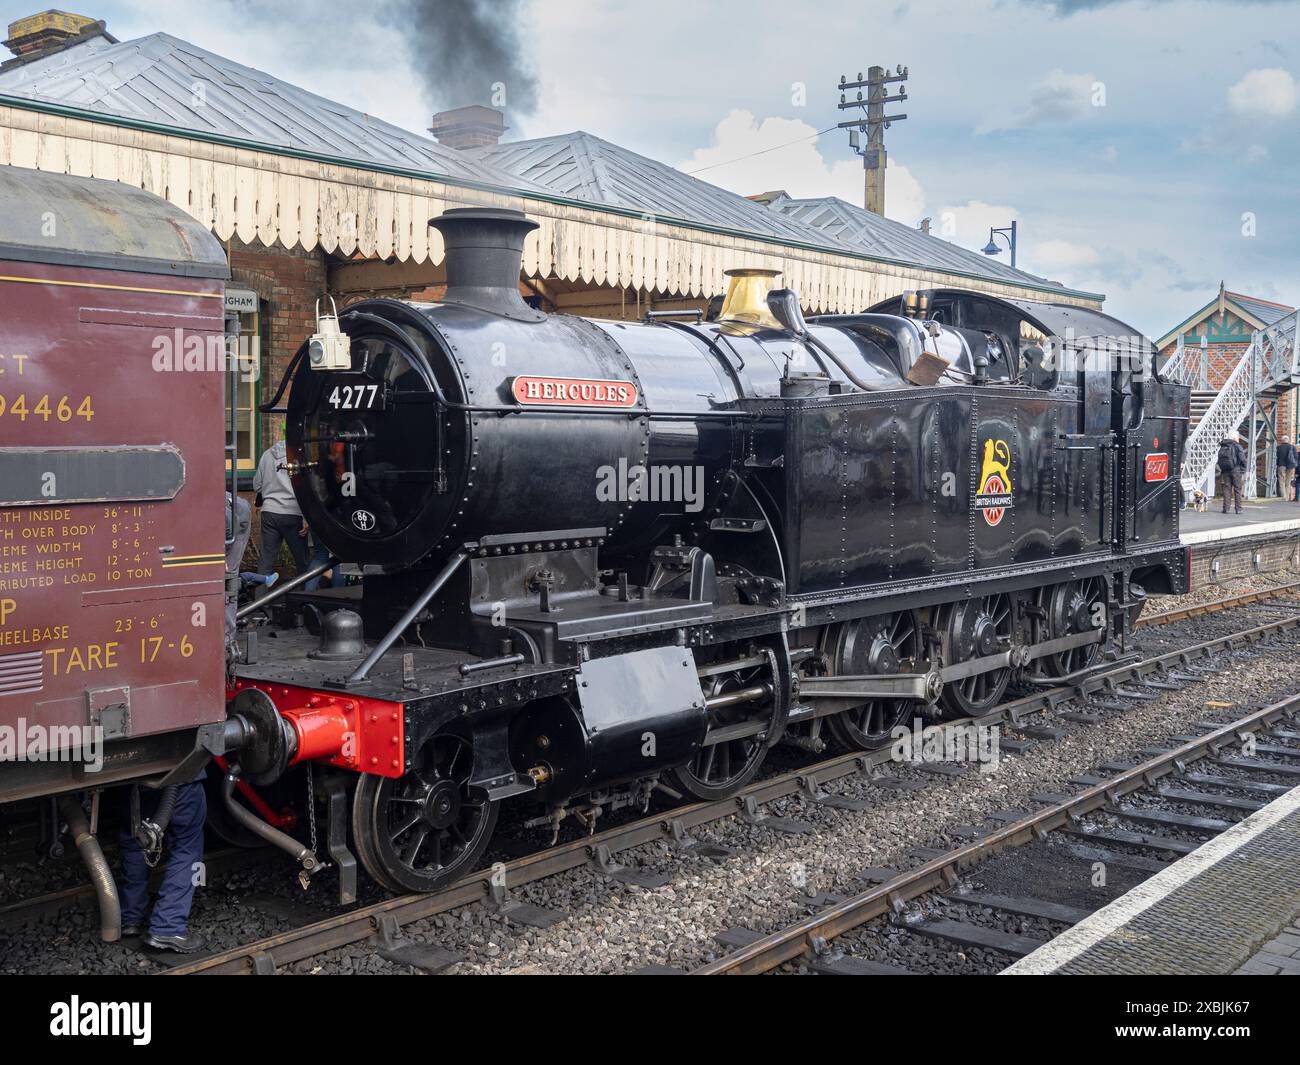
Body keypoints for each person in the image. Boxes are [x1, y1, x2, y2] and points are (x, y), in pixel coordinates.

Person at [117, 776, 208, 953]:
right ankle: (168, 927)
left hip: (130, 780)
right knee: (187, 846)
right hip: (180, 776)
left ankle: (129, 918)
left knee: (136, 840)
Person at [253, 438, 310, 581]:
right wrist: (306, 517)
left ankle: (260, 600)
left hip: (269, 512)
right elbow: (306, 489)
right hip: (293, 513)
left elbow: (257, 486)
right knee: (302, 563)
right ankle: (305, 597)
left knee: (266, 562)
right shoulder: (299, 456)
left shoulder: (266, 454)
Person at [1216, 431, 1247, 515]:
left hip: (1225, 470)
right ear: (1234, 438)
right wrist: (1243, 469)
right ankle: (1238, 509)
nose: (1238, 439)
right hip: (1236, 470)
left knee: (1226, 489)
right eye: (1238, 437)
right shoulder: (1237, 446)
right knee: (1237, 489)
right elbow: (1242, 458)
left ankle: (1226, 508)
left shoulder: (1223, 446)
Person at [1277, 434, 1298, 501]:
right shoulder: (1292, 447)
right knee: (1288, 482)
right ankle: (1287, 497)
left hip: (1281, 465)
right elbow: (1296, 457)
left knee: (1281, 480)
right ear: (1288, 440)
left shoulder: (1279, 447)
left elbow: (1276, 457)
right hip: (1290, 466)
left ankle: (1284, 496)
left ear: (1282, 440)